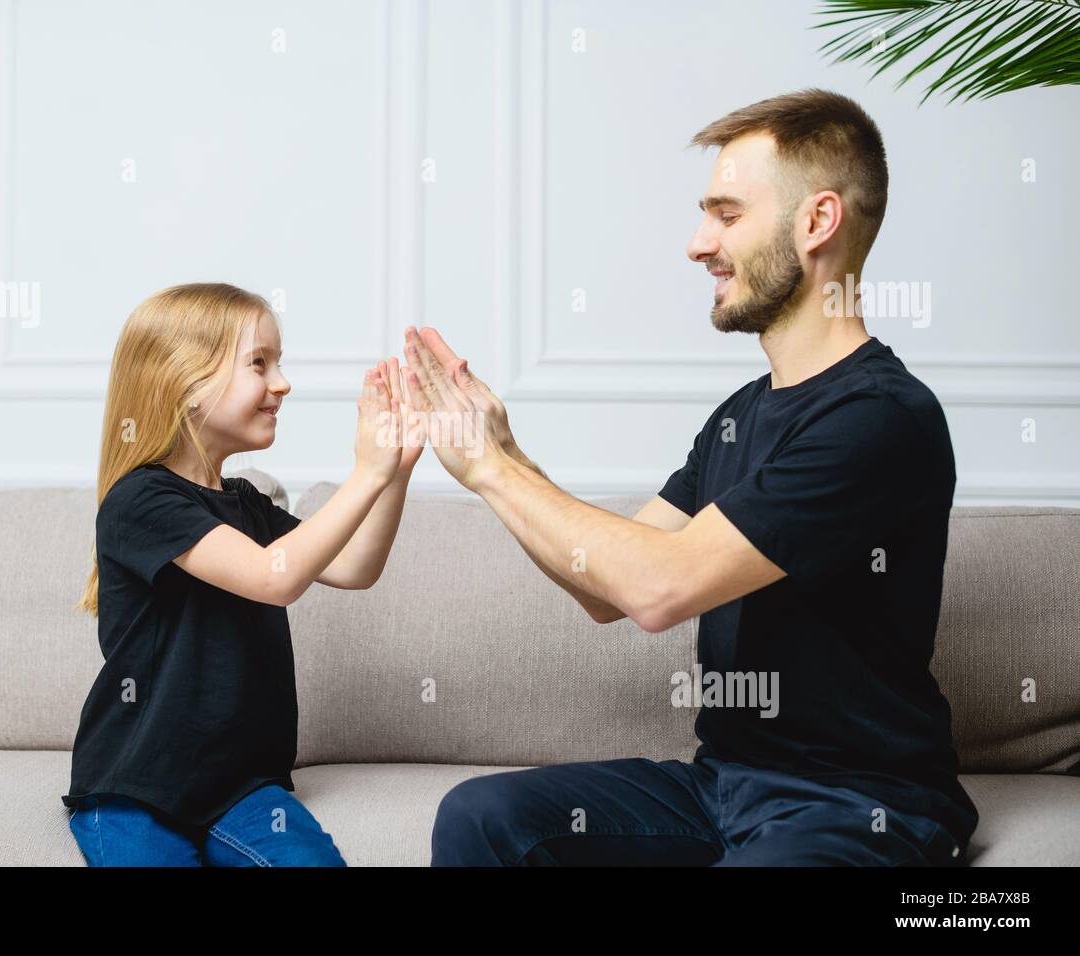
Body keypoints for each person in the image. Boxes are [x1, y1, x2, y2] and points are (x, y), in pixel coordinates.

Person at [406, 89, 978, 866]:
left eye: (727, 213)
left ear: (815, 222)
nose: (698, 243)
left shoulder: (881, 418)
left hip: (860, 805)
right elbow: (606, 590)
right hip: (724, 788)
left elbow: (659, 590)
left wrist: (492, 474)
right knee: (483, 817)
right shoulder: (739, 416)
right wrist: (504, 460)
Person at [63, 282, 424, 865]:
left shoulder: (247, 503)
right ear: (187, 385)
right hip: (137, 786)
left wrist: (393, 473)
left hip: (244, 787)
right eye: (259, 363)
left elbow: (358, 567)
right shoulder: (140, 500)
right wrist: (364, 473)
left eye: (278, 363)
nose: (282, 382)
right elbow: (273, 577)